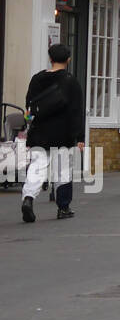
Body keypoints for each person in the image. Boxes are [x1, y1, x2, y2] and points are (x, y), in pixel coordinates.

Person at [22, 43, 84, 222]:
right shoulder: (71, 81)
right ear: (68, 60)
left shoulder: (37, 79)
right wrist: (79, 136)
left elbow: (29, 106)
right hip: (62, 133)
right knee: (63, 170)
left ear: (50, 59)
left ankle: (28, 198)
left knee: (37, 167)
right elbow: (76, 111)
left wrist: (28, 125)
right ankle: (63, 207)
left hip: (39, 131)